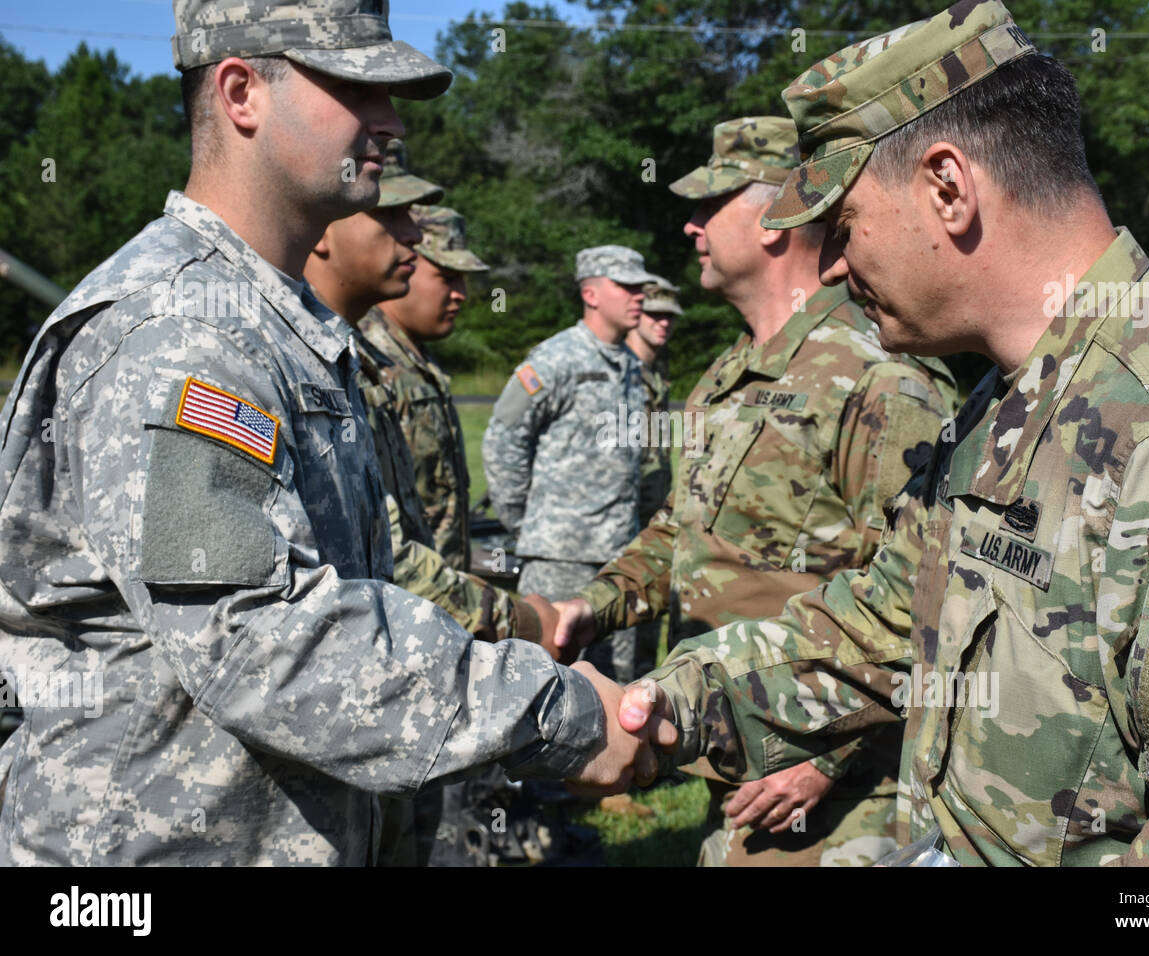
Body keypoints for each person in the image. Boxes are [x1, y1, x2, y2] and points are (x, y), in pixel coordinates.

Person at [621, 0, 1149, 866]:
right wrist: (655, 708)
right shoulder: (1006, 399)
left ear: (948, 188)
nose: (829, 264)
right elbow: (876, 629)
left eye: (845, 225)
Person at [0, 0, 668, 866]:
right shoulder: (181, 328)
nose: (389, 124)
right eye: (355, 87)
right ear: (242, 92)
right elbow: (264, 639)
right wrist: (556, 712)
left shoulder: (277, 322)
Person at [551, 116, 957, 866]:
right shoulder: (728, 376)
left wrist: (827, 758)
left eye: (711, 203)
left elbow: (933, 598)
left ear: (777, 219)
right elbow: (680, 531)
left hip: (837, 790)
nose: (691, 224)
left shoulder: (880, 377)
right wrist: (594, 605)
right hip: (730, 738)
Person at [303, 141, 549, 647]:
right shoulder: (317, 361)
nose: (412, 237)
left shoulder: (355, 358)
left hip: (421, 628)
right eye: (390, 215)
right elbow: (381, 551)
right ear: (325, 229)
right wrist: (514, 619)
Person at [482, 245, 651, 679]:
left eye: (641, 286)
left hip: (618, 559)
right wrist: (527, 524)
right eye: (626, 286)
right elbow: (504, 437)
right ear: (591, 294)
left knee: (617, 685)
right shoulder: (556, 359)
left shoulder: (631, 366)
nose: (640, 296)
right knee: (543, 681)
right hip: (560, 558)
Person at [362, 204, 488, 574]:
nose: (461, 294)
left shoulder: (420, 360)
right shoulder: (367, 359)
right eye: (447, 277)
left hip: (441, 597)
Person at [621, 275, 679, 682]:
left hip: (653, 512)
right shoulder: (618, 371)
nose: (664, 324)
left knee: (650, 614)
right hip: (621, 516)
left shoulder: (655, 373)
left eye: (670, 318)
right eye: (655, 316)